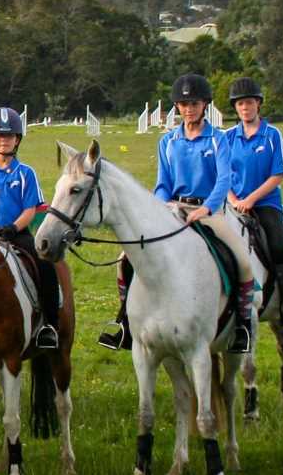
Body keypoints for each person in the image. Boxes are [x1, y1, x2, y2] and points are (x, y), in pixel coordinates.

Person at [98, 74, 256, 354]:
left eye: (194, 103)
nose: (188, 109)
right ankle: (125, 322)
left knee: (242, 261)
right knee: (125, 259)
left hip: (210, 211)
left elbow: (223, 180)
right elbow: (163, 182)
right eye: (183, 104)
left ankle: (242, 324)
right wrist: (159, 208)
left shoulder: (219, 139)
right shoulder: (168, 141)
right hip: (174, 208)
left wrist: (206, 208)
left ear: (205, 105)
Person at [0, 107, 61, 352]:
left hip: (16, 234)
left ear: (17, 140)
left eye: (10, 136)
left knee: (45, 266)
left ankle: (49, 325)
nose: (4, 140)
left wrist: (13, 228)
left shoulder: (26, 173)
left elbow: (31, 209)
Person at [224, 77, 283, 330]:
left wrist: (251, 199)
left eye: (249, 103)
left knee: (277, 246)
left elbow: (278, 173)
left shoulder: (272, 135)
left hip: (265, 203)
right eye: (240, 104)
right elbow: (222, 175)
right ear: (236, 108)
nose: (245, 108)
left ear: (258, 104)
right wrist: (234, 200)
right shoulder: (228, 137)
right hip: (233, 203)